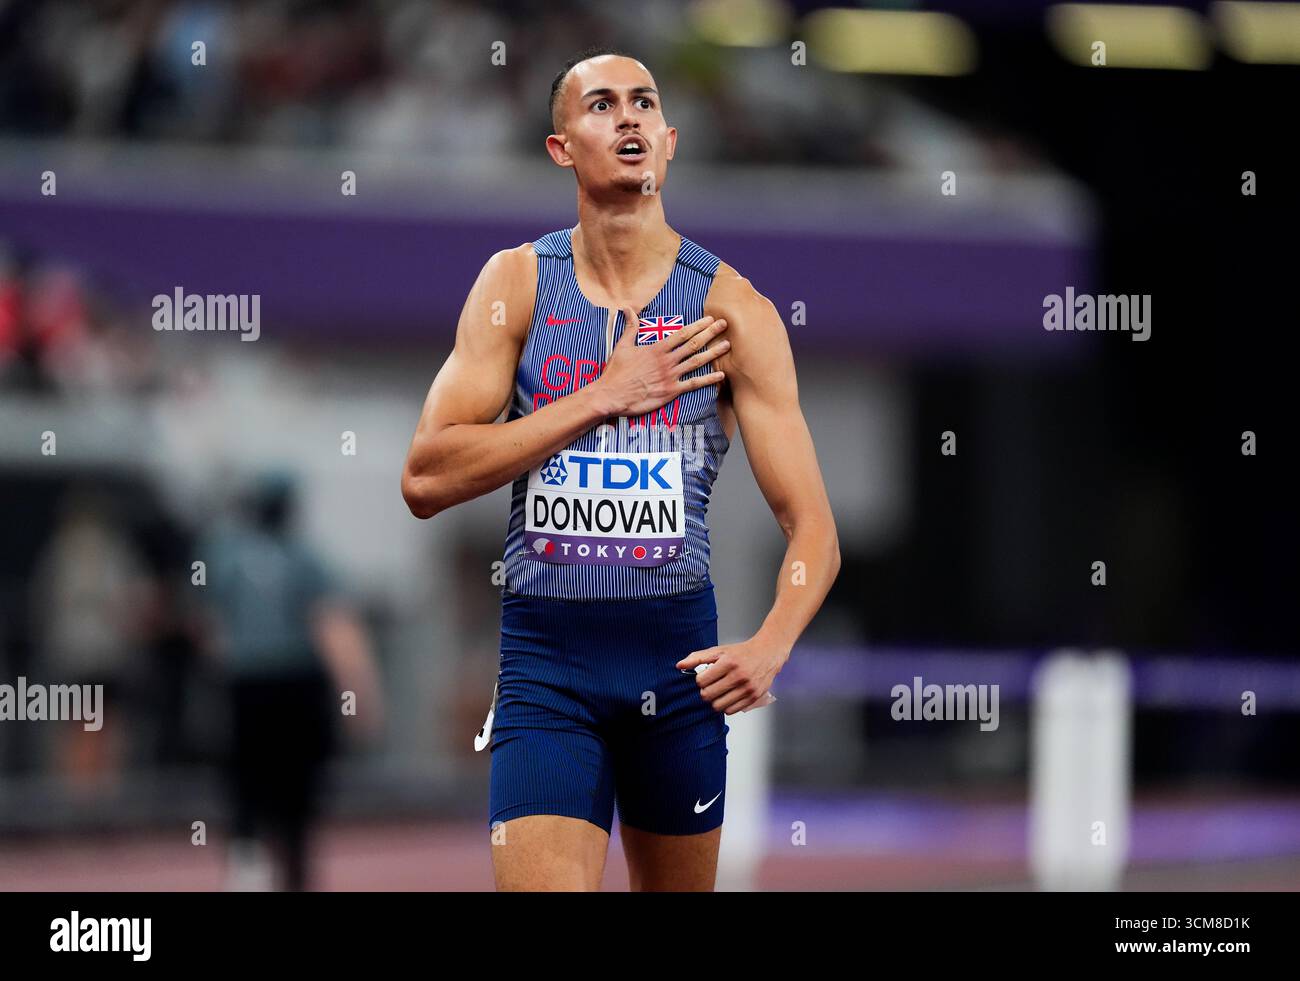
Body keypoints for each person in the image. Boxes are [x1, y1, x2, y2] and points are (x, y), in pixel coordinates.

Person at [401, 48, 839, 891]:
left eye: (644, 103)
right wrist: (601, 396)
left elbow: (813, 527)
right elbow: (426, 477)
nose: (629, 117)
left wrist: (772, 645)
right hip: (546, 669)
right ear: (562, 147)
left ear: (669, 142)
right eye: (602, 105)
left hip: (675, 675)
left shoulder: (731, 310)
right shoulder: (517, 285)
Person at [199, 473, 383, 891]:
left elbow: (207, 627)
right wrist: (360, 697)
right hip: (295, 688)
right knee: (296, 798)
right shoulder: (306, 558)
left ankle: (247, 871)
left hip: (244, 688)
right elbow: (336, 630)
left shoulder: (225, 555)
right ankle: (293, 873)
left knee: (244, 788)